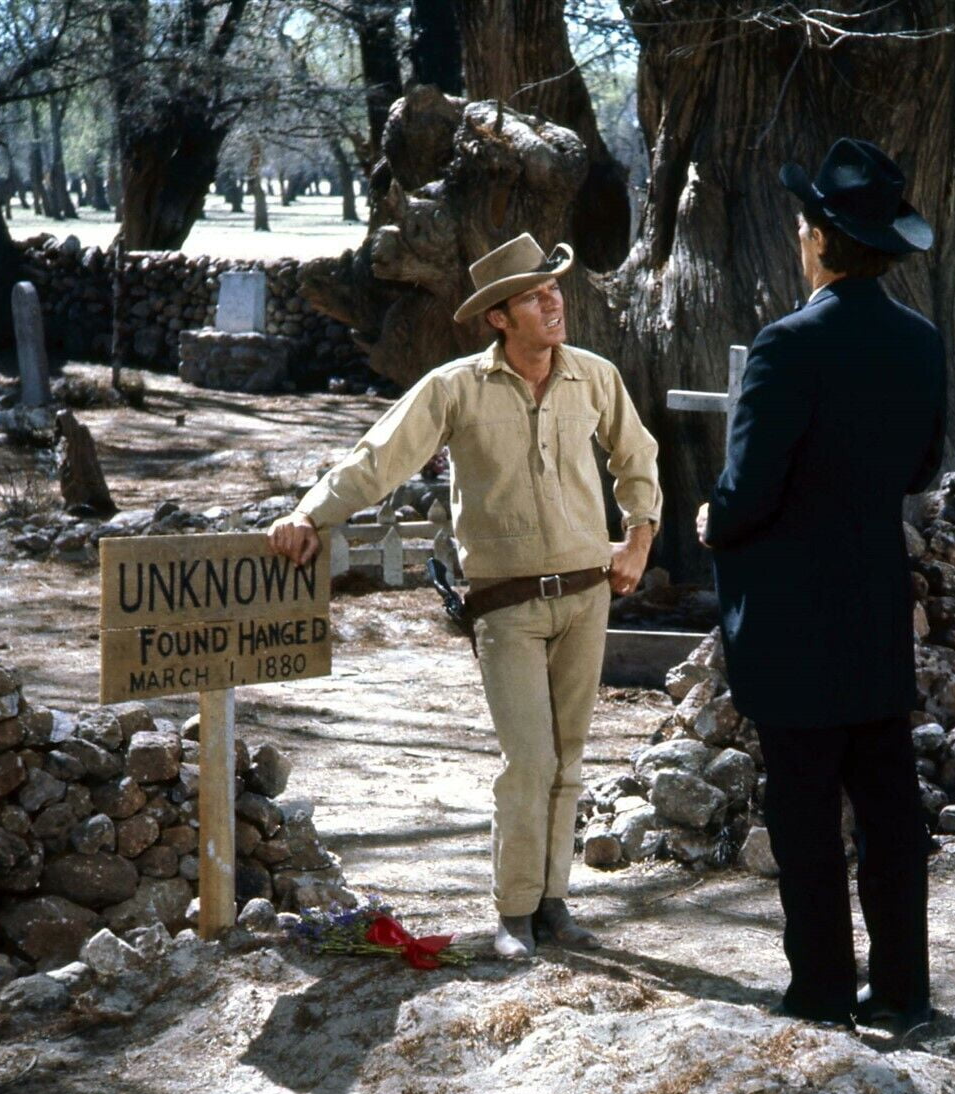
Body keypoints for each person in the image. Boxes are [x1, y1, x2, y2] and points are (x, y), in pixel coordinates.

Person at [269, 233, 661, 959]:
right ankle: (512, 913)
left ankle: (553, 905)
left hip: (586, 595)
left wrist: (639, 535)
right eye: (535, 296)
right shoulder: (455, 388)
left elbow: (636, 455)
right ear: (498, 318)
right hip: (505, 604)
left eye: (555, 290)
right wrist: (310, 513)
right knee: (529, 761)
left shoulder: (595, 377)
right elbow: (379, 457)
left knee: (570, 756)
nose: (554, 303)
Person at [696, 139, 946, 1032]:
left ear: (817, 242)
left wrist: (711, 521)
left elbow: (749, 488)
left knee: (804, 813)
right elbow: (921, 468)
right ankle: (906, 992)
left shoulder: (787, 345)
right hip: (874, 602)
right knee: (887, 810)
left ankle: (824, 992)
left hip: (796, 618)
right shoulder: (919, 341)